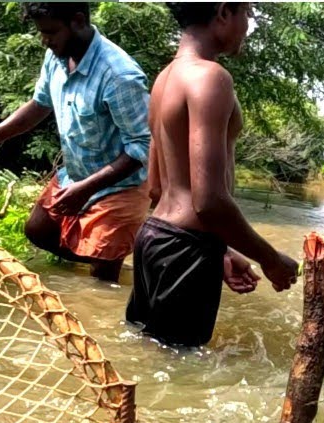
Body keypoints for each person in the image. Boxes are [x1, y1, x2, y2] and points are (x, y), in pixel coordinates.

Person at [125, 1, 299, 347]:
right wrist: (270, 259)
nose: (249, 25)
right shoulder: (211, 77)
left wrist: (222, 251)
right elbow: (208, 201)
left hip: (155, 239)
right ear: (223, 12)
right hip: (185, 249)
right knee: (177, 371)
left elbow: (157, 189)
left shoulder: (165, 79)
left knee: (150, 354)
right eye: (247, 13)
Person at [0, 2, 150, 282]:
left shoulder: (119, 76)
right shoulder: (57, 57)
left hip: (120, 185)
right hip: (75, 175)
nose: (45, 40)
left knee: (102, 281)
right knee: (38, 231)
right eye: (41, 33)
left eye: (50, 32)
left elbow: (142, 148)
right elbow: (38, 105)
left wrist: (86, 190)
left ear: (78, 21)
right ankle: (116, 255)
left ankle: (115, 256)